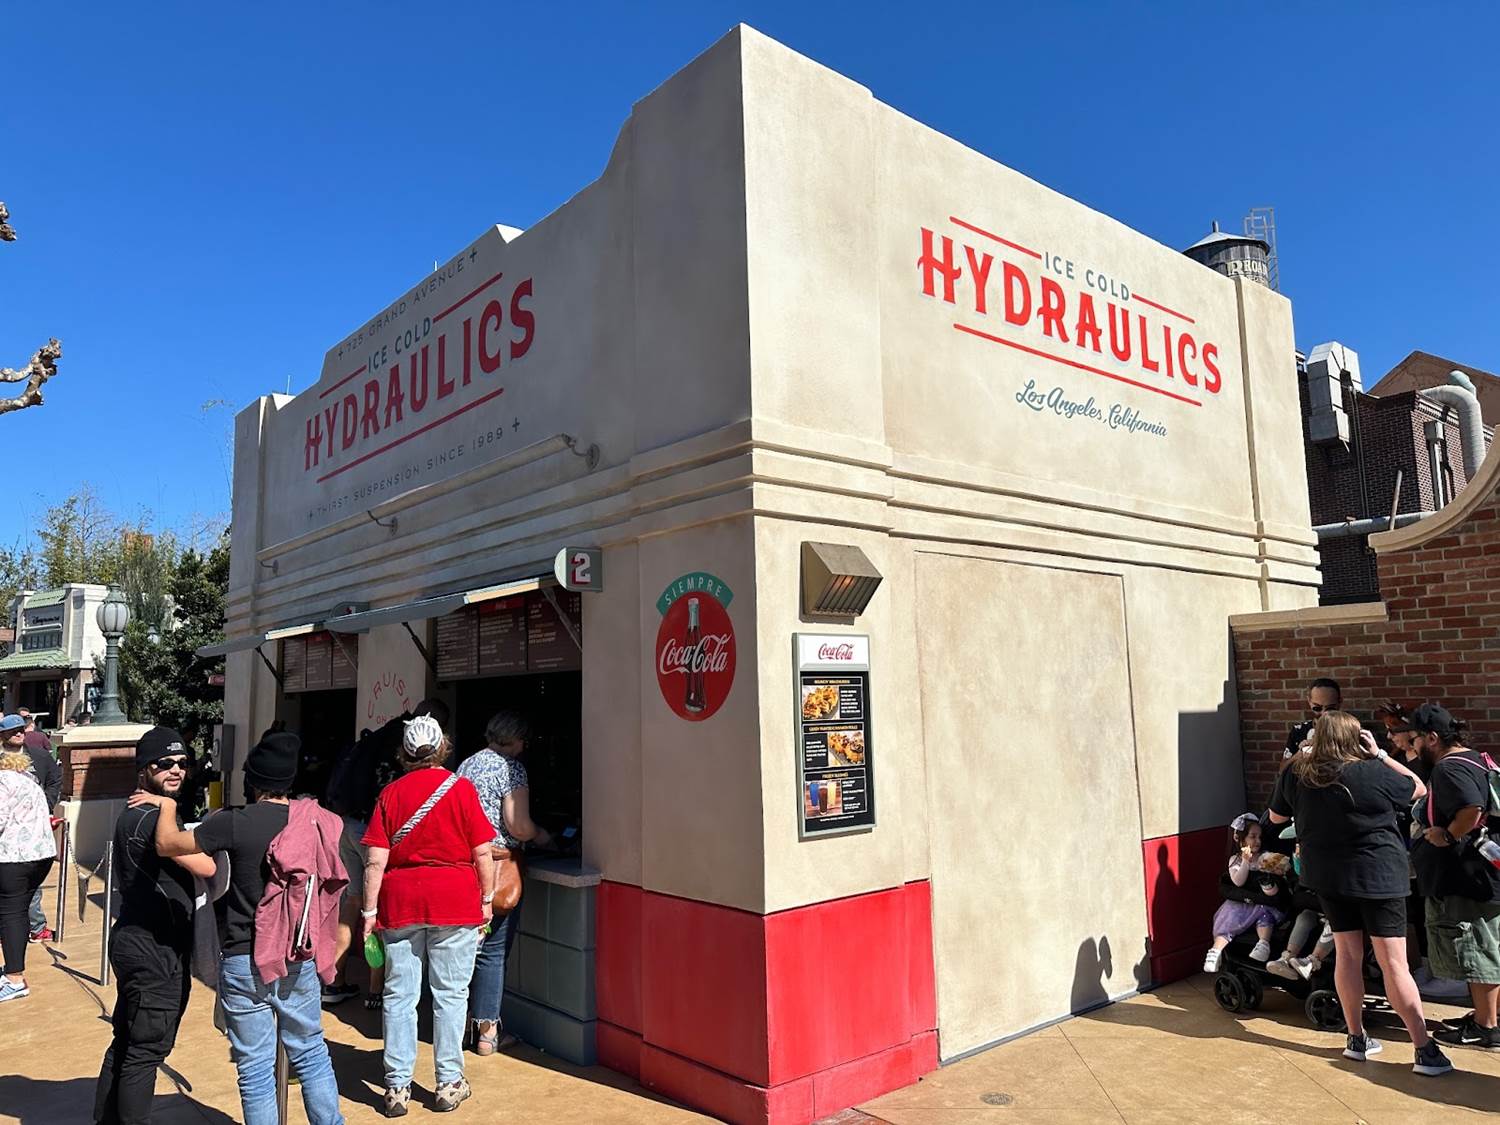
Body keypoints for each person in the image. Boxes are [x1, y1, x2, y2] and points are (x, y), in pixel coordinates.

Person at [134, 733, 346, 1125]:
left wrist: (166, 805)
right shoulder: (317, 822)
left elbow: (167, 844)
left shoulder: (234, 822)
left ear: (253, 781)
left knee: (254, 1069)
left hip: (243, 959)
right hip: (298, 955)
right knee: (312, 1053)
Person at [1268, 710, 1451, 1075]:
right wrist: (1380, 754)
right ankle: (1424, 1050)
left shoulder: (1296, 773)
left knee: (1348, 956)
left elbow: (1274, 819)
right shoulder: (1373, 771)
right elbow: (1418, 788)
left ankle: (1356, 1039)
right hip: (1378, 876)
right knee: (1393, 963)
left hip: (1328, 878)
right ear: (1357, 739)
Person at [362, 715, 495, 1116]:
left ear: (404, 753)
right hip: (455, 902)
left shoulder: (390, 794)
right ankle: (449, 1082)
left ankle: (396, 1088)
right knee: (450, 995)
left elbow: (374, 862)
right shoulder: (461, 790)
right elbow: (483, 852)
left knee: (399, 996)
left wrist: (369, 911)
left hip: (400, 903)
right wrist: (486, 898)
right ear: (443, 747)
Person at [94, 728, 218, 1125]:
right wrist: (168, 810)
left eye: (183, 763)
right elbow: (207, 866)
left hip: (138, 940)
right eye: (164, 764)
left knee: (128, 1042)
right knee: (145, 1051)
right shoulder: (152, 817)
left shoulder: (143, 812)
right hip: (154, 951)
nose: (176, 770)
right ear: (144, 768)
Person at [323, 699, 448, 1011]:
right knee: (375, 906)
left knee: (352, 901)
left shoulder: (381, 734)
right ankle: (376, 988)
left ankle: (334, 981)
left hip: (347, 823)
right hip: (371, 831)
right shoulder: (407, 751)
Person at [458, 710, 554, 1055]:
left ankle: (458, 1024)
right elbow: (518, 825)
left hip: (465, 864)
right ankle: (486, 1032)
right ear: (516, 739)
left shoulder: (466, 765)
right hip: (497, 867)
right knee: (493, 951)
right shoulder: (511, 769)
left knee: (466, 948)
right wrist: (544, 836)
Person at [1407, 703, 1500, 1051]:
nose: (1412, 747)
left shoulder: (1449, 768)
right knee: (1487, 946)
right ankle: (1485, 1017)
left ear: (1432, 738)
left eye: (1415, 739)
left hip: (1467, 876)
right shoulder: (1476, 758)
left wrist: (1447, 835)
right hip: (1481, 874)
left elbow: (1471, 808)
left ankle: (1486, 1027)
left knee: (1478, 950)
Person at [0, 747, 55, 1003]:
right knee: (17, 912)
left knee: (11, 914)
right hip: (40, 856)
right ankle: (13, 971)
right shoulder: (28, 781)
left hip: (15, 857)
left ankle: (14, 978)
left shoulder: (2, 781)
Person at [1, 713, 60, 943]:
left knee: (29, 889)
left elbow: (55, 779)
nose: (19, 733)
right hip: (7, 838)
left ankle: (35, 927)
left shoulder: (39, 756)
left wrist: (46, 804)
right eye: (13, 730)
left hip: (31, 837)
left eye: (21, 730)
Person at [1203, 814, 1285, 971]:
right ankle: (1215, 951)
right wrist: (1246, 862)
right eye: (1252, 837)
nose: (1257, 841)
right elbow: (1238, 881)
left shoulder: (1265, 857)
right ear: (1240, 839)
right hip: (1241, 903)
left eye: (1259, 837)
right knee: (1228, 920)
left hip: (1261, 902)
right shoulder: (1235, 860)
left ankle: (1263, 944)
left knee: (1265, 915)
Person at [1283, 678, 1342, 765]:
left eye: (1330, 708)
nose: (1323, 713)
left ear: (1340, 702)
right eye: (1317, 708)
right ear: (1309, 702)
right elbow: (1282, 770)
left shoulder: (1351, 729)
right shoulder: (1299, 730)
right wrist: (1299, 754)